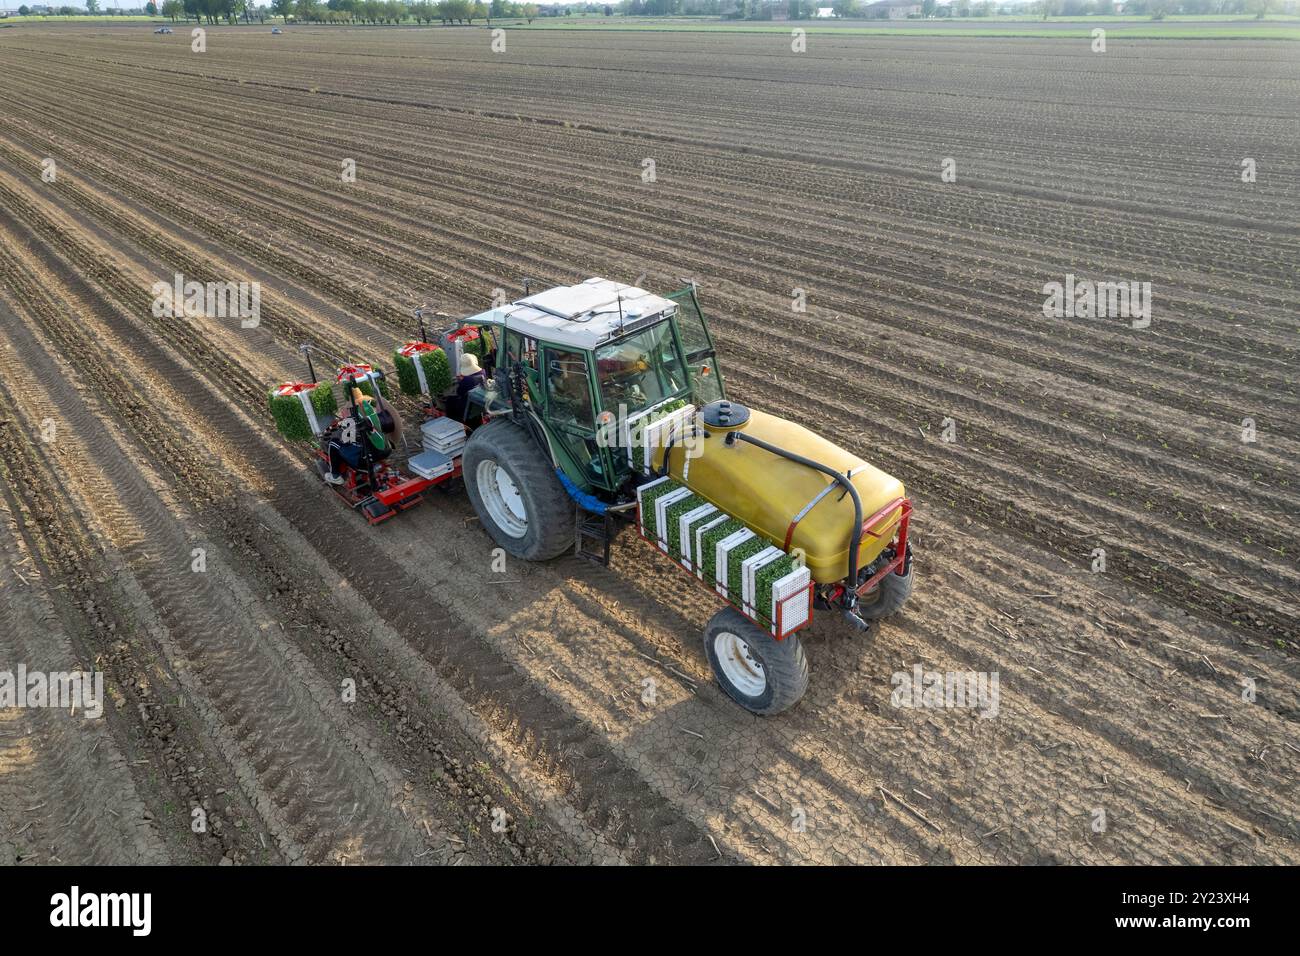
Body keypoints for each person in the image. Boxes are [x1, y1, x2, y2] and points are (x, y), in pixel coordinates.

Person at [322, 383, 394, 485]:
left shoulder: (353, 419)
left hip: (366, 459)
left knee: (334, 443)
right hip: (386, 450)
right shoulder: (373, 413)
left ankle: (335, 476)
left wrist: (343, 426)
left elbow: (347, 439)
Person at [445, 352, 485, 423]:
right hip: (481, 403)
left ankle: (452, 420)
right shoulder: (483, 372)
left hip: (468, 406)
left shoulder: (466, 380)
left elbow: (460, 392)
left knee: (450, 400)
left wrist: (461, 381)